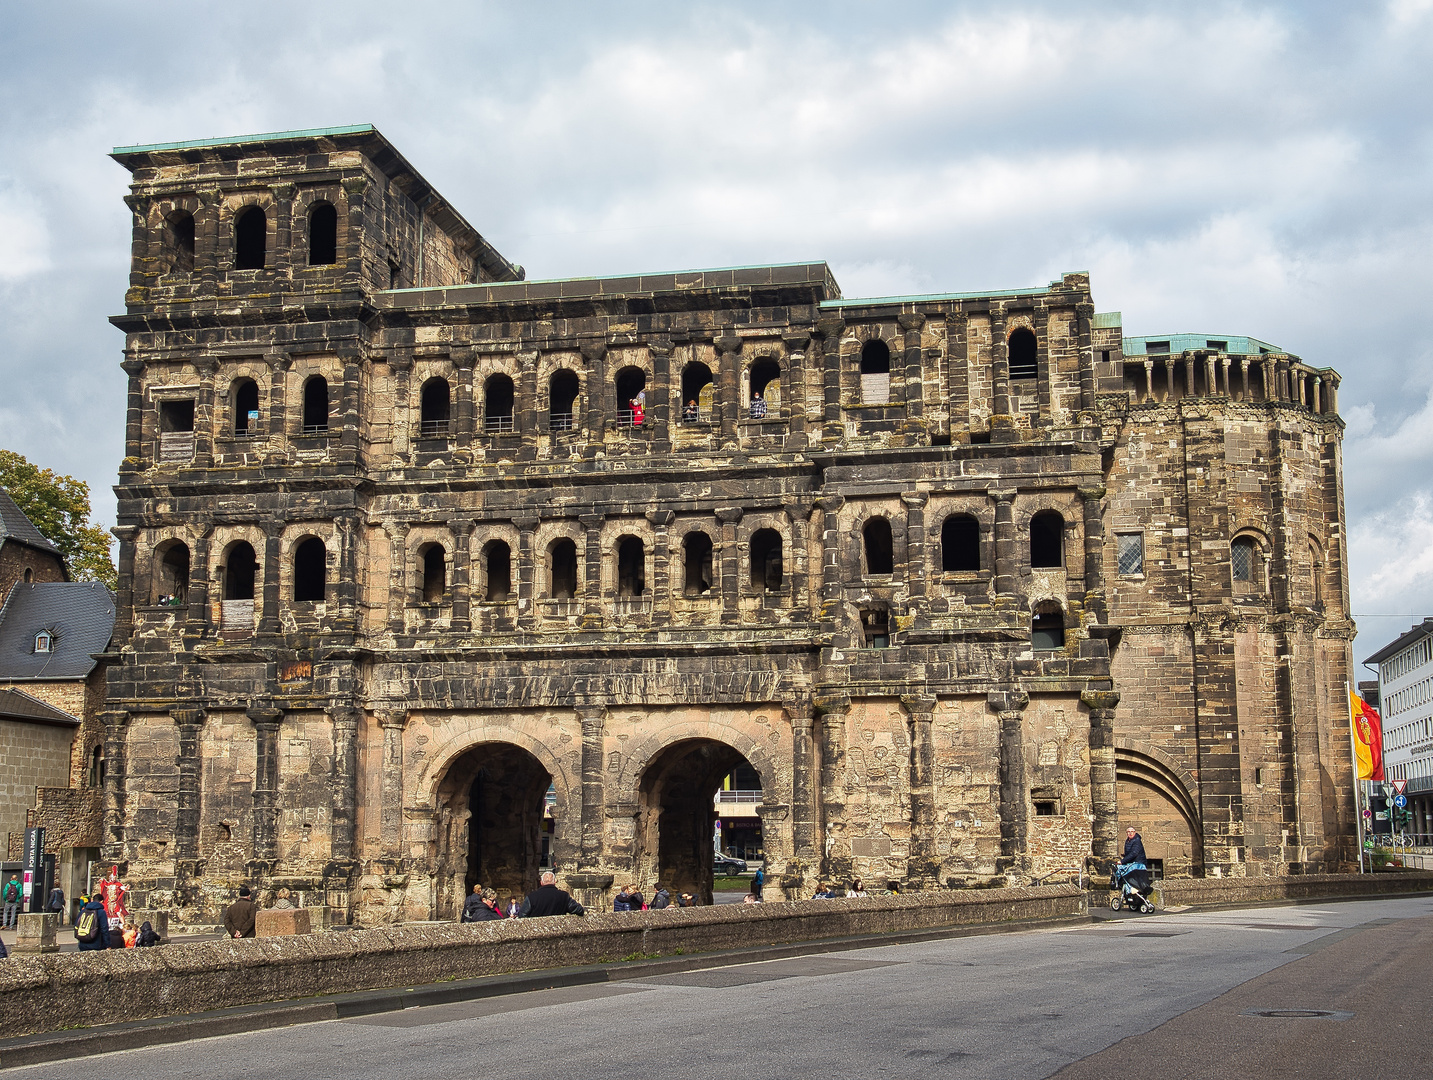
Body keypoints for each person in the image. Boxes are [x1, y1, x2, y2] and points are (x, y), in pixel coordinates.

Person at [518, 871, 585, 917]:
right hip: (558, 932)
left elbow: (522, 915)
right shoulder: (564, 896)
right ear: (554, 882)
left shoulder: (531, 897)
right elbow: (579, 910)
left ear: (541, 882)